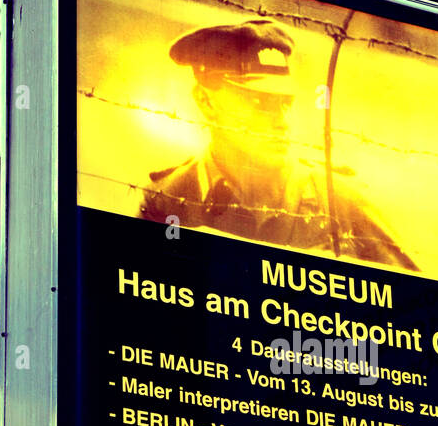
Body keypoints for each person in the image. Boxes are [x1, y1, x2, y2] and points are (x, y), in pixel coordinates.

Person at [139, 17, 417, 271]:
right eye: (260, 102)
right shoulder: (166, 201)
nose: (281, 121)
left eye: (285, 103)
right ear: (206, 101)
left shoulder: (338, 200)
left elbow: (420, 307)